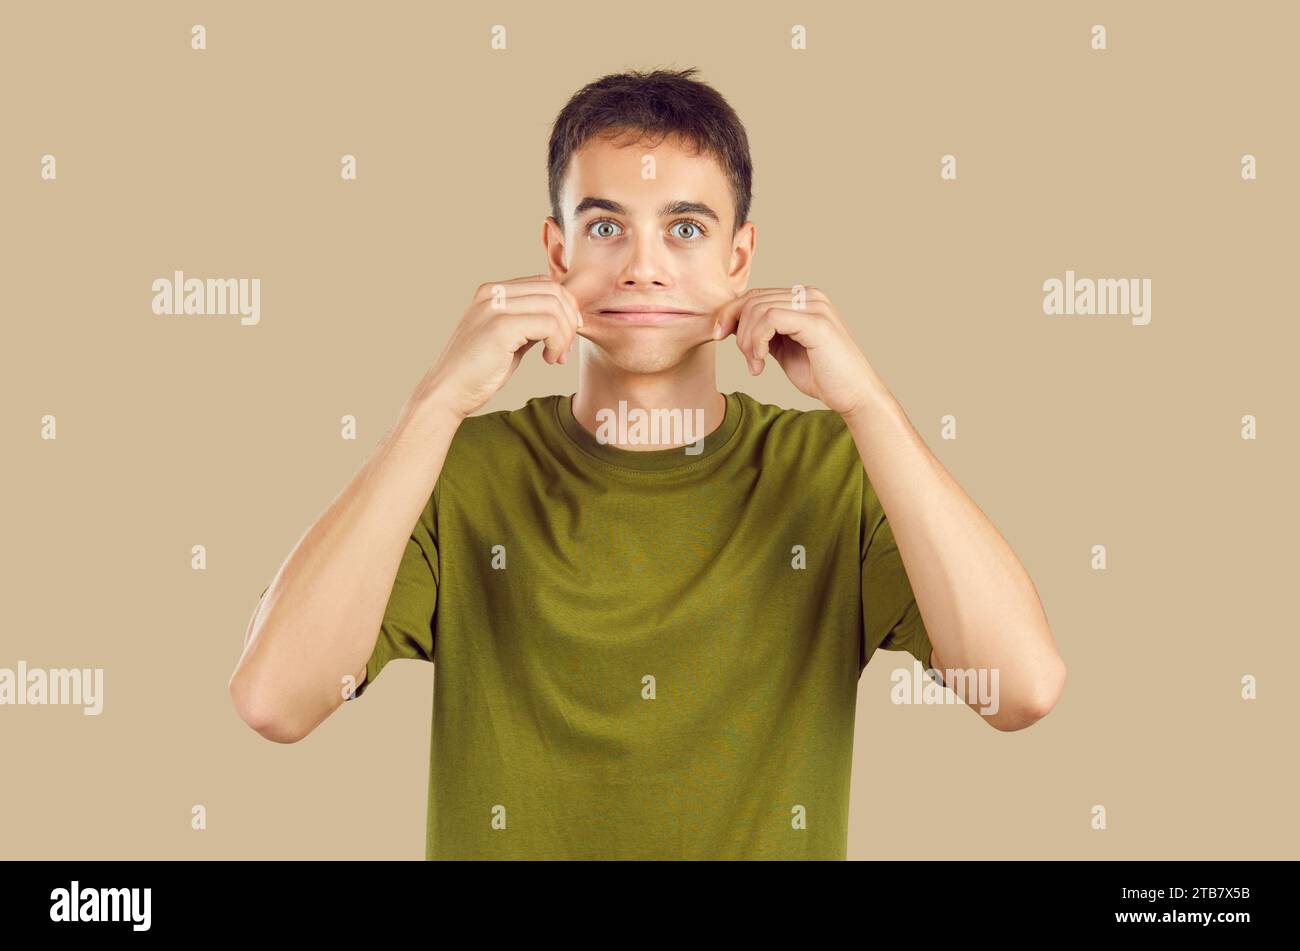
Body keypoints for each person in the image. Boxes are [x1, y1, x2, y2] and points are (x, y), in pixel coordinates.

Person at [228, 67, 1066, 860]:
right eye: (604, 227)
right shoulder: (458, 471)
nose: (643, 265)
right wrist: (435, 403)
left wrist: (871, 406)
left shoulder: (835, 473)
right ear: (557, 255)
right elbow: (274, 702)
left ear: (740, 258)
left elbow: (1021, 688)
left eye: (686, 228)